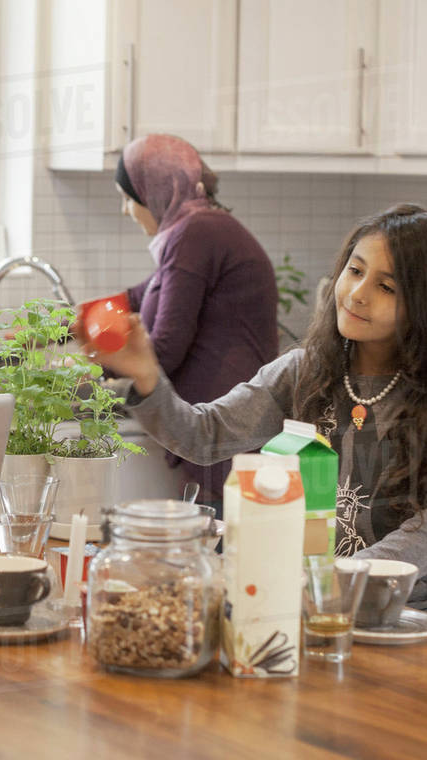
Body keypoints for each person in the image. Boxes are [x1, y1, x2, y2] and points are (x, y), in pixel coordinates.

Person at [76, 204, 427, 626]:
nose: (357, 293)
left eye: (387, 287)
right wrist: (148, 377)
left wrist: (346, 577)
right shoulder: (303, 372)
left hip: (426, 601)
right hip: (314, 599)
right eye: (355, 271)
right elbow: (202, 436)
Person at [111, 134, 279, 511]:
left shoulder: (196, 234)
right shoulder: (194, 231)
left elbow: (165, 349)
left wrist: (93, 368)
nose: (126, 211)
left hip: (225, 434)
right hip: (220, 433)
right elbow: (138, 296)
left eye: (128, 198)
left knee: (221, 558)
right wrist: (52, 328)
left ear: (155, 191)